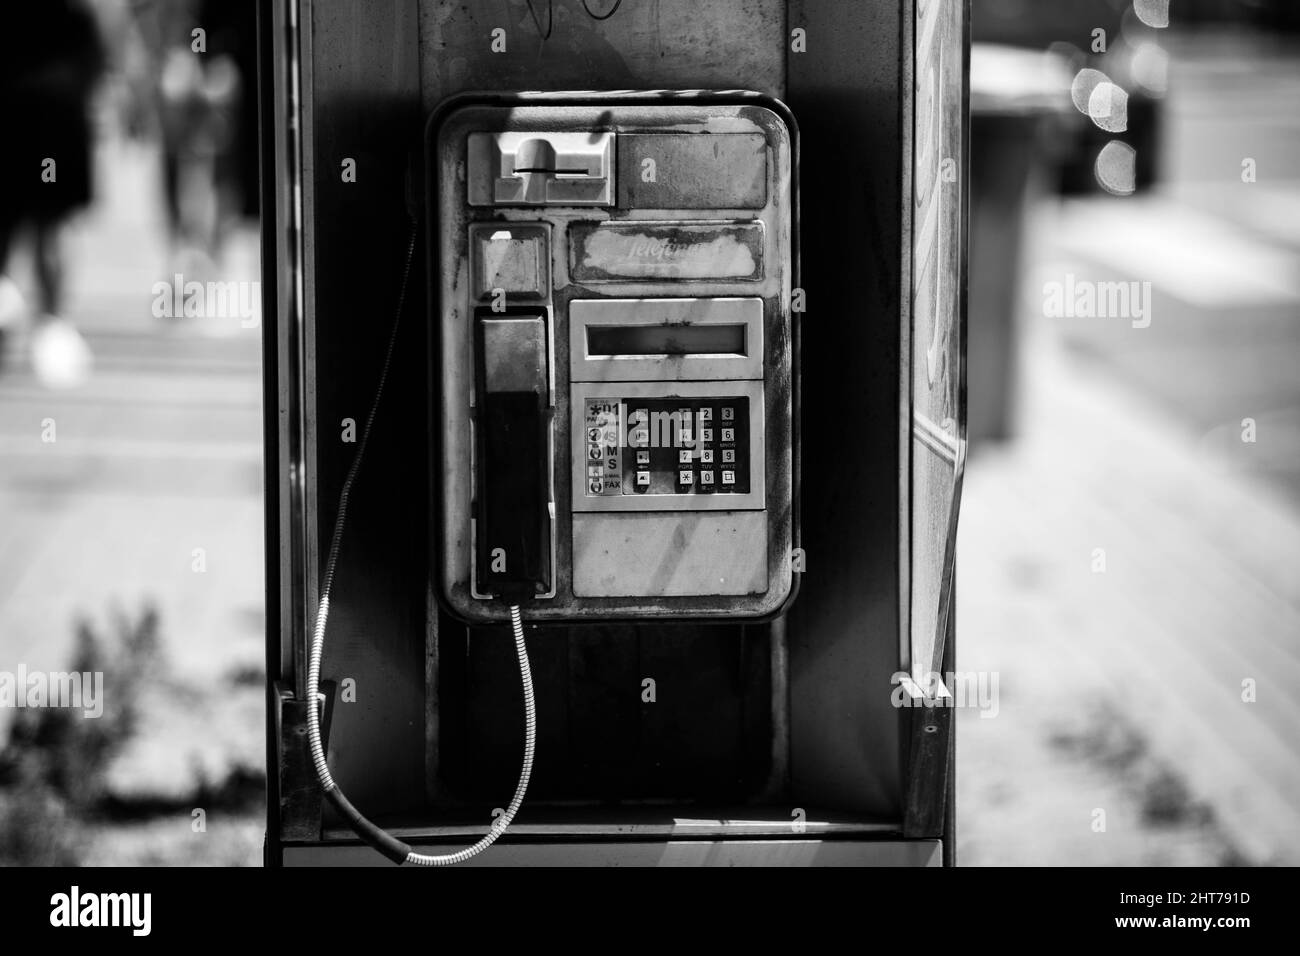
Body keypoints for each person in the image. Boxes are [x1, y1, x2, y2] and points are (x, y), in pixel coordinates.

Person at [0, 0, 106, 388]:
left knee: (26, 228)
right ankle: (53, 323)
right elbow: (96, 60)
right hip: (55, 116)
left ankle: (45, 324)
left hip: (21, 114)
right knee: (52, 229)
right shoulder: (74, 15)